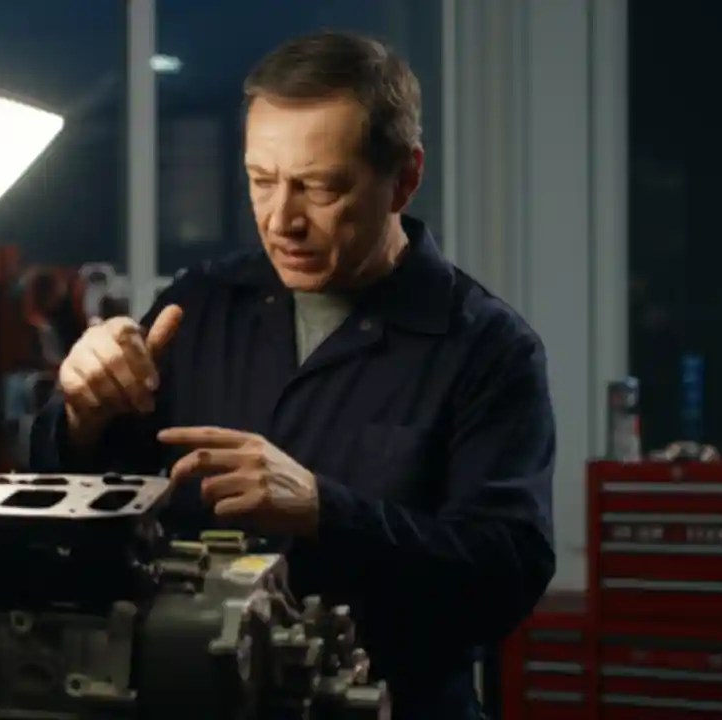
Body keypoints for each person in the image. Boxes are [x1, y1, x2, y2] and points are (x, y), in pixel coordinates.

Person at [29, 30, 556, 719]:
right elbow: (77, 514)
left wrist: (324, 511)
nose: (282, 220)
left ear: (404, 178)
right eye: (261, 181)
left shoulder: (487, 347)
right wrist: (81, 417)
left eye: (320, 187)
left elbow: (503, 580)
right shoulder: (200, 306)